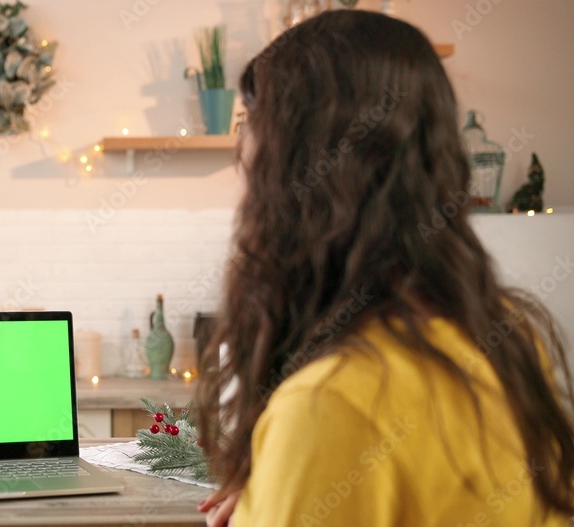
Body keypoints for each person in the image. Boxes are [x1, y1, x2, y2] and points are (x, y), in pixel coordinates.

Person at [195, 10, 574, 527]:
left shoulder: (330, 405)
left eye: (251, 132)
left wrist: (300, 475)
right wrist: (285, 488)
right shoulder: (508, 337)